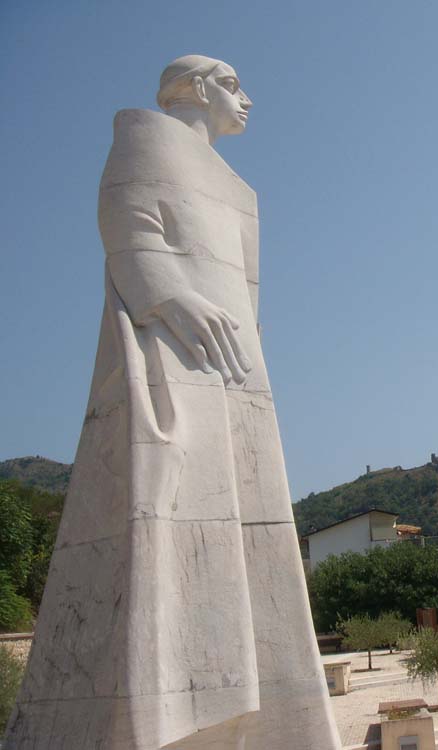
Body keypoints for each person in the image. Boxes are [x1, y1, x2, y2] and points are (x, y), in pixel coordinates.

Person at [4, 55, 342, 750]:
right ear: (196, 88)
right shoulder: (142, 136)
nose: (247, 100)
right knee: (164, 495)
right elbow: (125, 224)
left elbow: (246, 288)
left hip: (234, 365)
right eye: (234, 85)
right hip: (168, 340)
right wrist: (167, 294)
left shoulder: (240, 189)